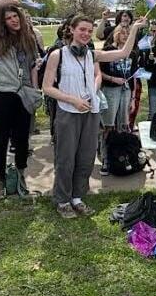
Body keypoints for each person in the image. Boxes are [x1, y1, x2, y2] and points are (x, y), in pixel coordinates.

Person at [43, 15, 145, 219]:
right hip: (68, 112)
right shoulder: (58, 55)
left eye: (90, 31)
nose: (86, 34)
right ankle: (62, 200)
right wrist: (72, 100)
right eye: (82, 29)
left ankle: (78, 197)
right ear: (71, 30)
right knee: (66, 158)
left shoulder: (92, 55)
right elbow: (46, 87)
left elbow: (124, 52)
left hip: (91, 112)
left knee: (86, 157)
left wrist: (134, 28)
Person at [0, 0, 43, 198]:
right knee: (1, 138)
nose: (13, 20)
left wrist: (35, 91)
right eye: (8, 18)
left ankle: (21, 177)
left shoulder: (28, 38)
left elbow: (32, 68)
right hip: (1, 93)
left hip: (23, 94)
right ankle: (1, 180)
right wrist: (5, 2)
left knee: (22, 139)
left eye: (15, 16)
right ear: (2, 22)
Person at [99, 25, 139, 142]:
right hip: (111, 89)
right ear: (116, 34)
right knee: (109, 123)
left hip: (126, 90)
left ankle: (121, 151)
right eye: (122, 33)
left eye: (128, 33)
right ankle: (106, 151)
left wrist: (133, 98)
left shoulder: (132, 53)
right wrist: (112, 78)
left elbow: (134, 76)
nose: (125, 36)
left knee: (124, 123)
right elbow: (99, 72)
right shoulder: (107, 50)